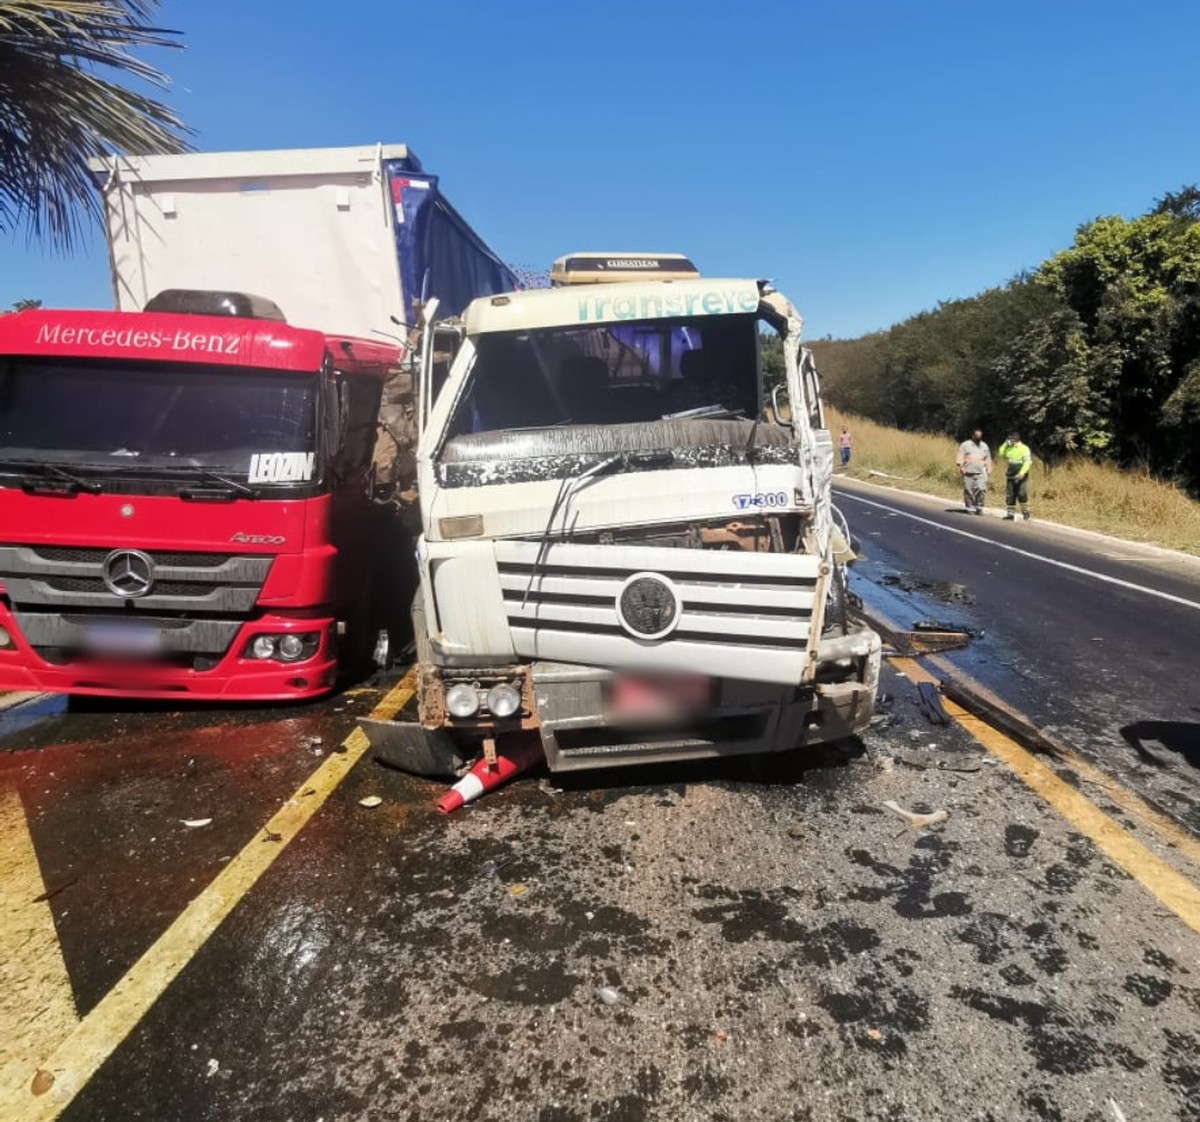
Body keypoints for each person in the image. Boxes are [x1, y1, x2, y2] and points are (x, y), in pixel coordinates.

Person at [997, 430, 1032, 520]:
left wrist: (1021, 473)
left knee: (1021, 493)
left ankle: (1025, 512)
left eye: (1009, 440)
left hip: (1021, 474)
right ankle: (1010, 514)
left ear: (1014, 440)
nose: (1008, 441)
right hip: (1011, 474)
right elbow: (1000, 453)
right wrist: (1005, 444)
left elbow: (1027, 463)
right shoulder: (1009, 447)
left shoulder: (1024, 448)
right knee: (1010, 495)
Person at [955, 427, 991, 515]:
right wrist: (961, 466)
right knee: (968, 490)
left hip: (981, 473)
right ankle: (970, 507)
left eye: (980, 436)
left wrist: (989, 470)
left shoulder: (984, 446)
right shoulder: (965, 445)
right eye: (977, 436)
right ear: (973, 436)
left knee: (981, 489)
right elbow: (960, 456)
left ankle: (979, 507)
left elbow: (988, 459)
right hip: (968, 472)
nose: (978, 437)